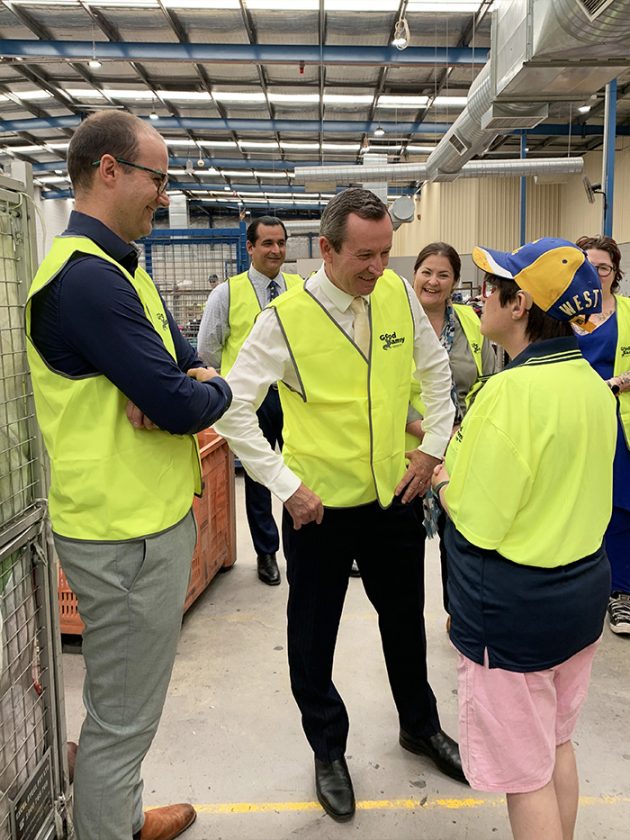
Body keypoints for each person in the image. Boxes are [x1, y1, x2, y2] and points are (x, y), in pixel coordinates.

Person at [197, 187, 464, 823]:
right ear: (326, 248)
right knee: (313, 636)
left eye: (386, 254)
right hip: (319, 514)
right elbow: (232, 406)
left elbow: (435, 375)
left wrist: (430, 450)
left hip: (394, 499)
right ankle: (327, 747)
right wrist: (285, 486)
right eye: (364, 257)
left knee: (404, 623)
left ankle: (419, 726)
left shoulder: (397, 295)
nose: (378, 268)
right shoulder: (284, 320)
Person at [25, 111, 232, 840]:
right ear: (109, 171)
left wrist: (188, 384)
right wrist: (211, 391)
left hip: (142, 522)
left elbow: (181, 366)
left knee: (127, 702)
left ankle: (119, 813)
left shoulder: (121, 270)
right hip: (123, 536)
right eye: (158, 179)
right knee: (121, 717)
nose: (165, 195)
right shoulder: (86, 283)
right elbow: (182, 397)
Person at [431, 237, 616, 840]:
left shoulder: (509, 394)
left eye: (492, 287)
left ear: (520, 307)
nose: (479, 297)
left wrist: (444, 478)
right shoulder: (591, 382)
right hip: (582, 591)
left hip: (515, 608)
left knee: (524, 773)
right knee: (556, 742)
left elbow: (480, 520)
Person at [197, 216, 302, 586]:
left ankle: (302, 548)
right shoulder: (226, 293)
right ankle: (267, 552)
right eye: (267, 243)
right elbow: (207, 349)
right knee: (258, 476)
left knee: (301, 470)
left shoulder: (299, 288)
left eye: (281, 243)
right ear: (251, 248)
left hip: (292, 397)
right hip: (250, 402)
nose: (276, 250)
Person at [409, 242, 497, 620]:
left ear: (455, 281)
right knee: (406, 542)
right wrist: (431, 434)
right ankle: (407, 617)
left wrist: (465, 429)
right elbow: (379, 389)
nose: (433, 281)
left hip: (464, 445)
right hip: (409, 448)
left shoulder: (471, 322)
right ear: (414, 275)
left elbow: (490, 379)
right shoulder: (393, 319)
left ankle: (456, 611)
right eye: (427, 272)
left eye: (443, 274)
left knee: (458, 537)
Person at [573, 235, 630, 635]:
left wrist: (620, 382)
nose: (595, 274)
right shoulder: (560, 314)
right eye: (586, 267)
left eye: (604, 267)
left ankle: (621, 592)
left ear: (615, 273)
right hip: (571, 419)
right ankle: (576, 585)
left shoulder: (628, 312)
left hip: (618, 419)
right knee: (573, 499)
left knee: (620, 504)